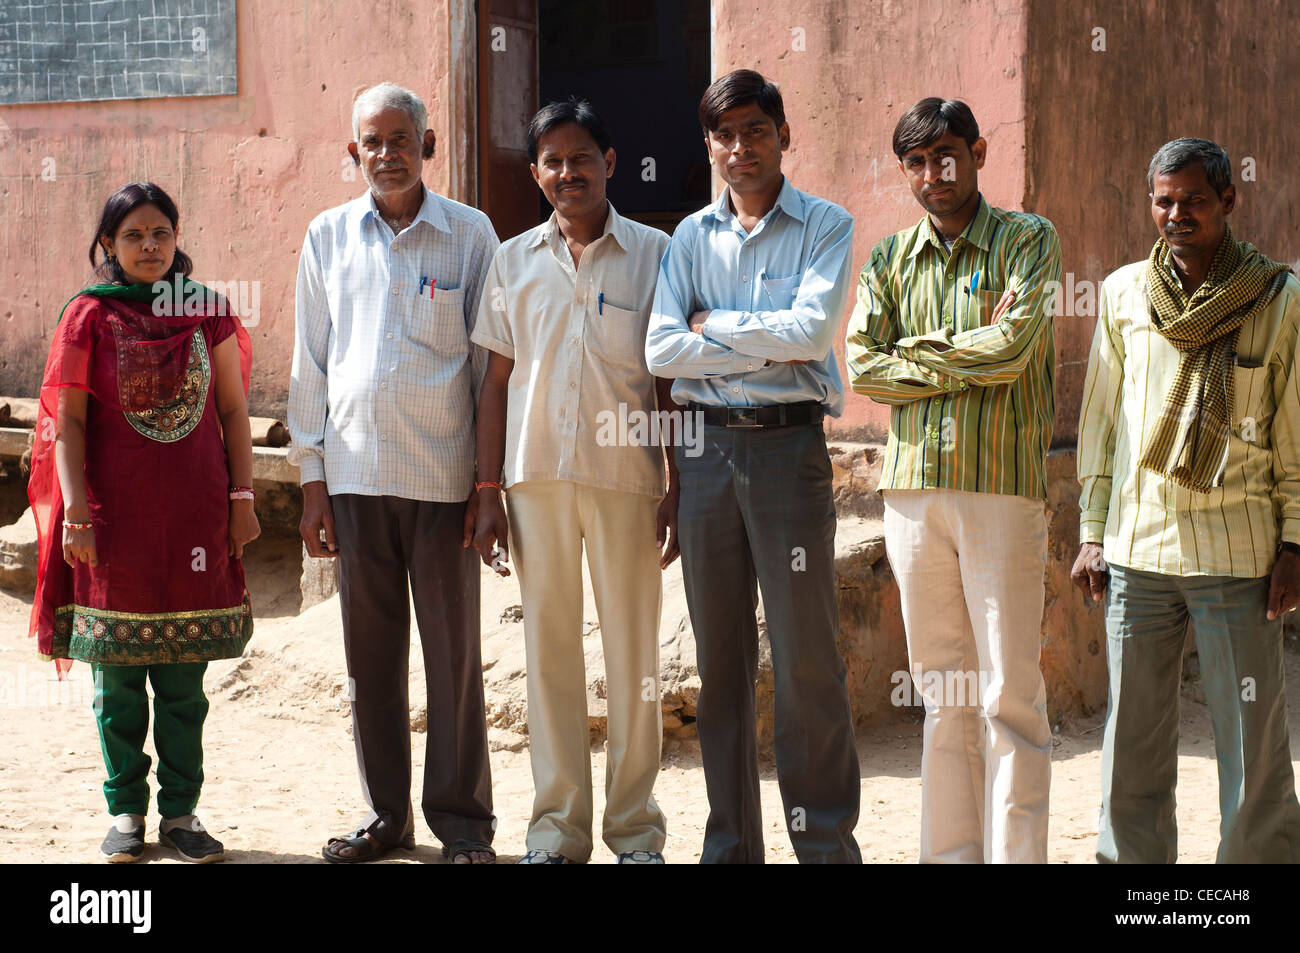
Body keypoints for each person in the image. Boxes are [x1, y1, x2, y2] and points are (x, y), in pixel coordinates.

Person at [646, 69, 862, 864]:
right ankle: (731, 846)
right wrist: (749, 334)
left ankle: (827, 843)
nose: (742, 149)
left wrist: (718, 326)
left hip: (786, 447)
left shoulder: (825, 226)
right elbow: (661, 348)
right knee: (721, 662)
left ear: (784, 135)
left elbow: (811, 333)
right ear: (709, 147)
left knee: (808, 658)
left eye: (756, 132)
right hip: (704, 454)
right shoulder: (687, 239)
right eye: (725, 136)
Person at [845, 97, 1061, 863]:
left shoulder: (1027, 239)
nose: (933, 174)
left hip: (998, 484)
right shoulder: (888, 257)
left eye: (947, 156)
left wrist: (917, 351)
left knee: (1008, 692)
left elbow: (1012, 350)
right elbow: (862, 365)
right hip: (911, 492)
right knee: (945, 694)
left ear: (977, 152)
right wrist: (964, 346)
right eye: (916, 162)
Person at [1073, 137, 1300, 863]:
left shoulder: (1278, 298)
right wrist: (1090, 530)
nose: (1177, 214)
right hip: (1138, 550)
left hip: (1238, 552)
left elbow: (1296, 435)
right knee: (1129, 741)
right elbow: (1103, 424)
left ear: (1229, 201)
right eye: (1163, 200)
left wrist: (1294, 543)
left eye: (1194, 200)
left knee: (1252, 743)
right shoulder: (1121, 293)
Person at [288, 82, 499, 864]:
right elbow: (310, 364)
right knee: (369, 661)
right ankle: (386, 815)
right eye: (371, 142)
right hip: (354, 477)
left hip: (444, 481)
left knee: (453, 663)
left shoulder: (472, 235)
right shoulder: (327, 237)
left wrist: (488, 486)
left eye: (400, 139)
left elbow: (487, 371)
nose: (387, 154)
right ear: (354, 153)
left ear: (428, 144)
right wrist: (311, 480)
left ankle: (463, 823)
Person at [28, 181, 258, 863]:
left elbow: (234, 413)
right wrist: (75, 513)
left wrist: (242, 498)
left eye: (161, 232)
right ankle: (126, 812)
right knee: (118, 678)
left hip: (194, 518)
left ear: (177, 236)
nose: (150, 246)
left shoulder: (205, 311)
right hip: (112, 522)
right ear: (109, 245)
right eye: (133, 235)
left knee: (185, 677)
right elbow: (66, 420)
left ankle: (182, 814)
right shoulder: (88, 317)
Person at [472, 99, 676, 865]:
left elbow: (669, 383)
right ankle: (556, 832)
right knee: (548, 652)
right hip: (534, 481)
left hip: (627, 479)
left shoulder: (656, 252)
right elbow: (495, 381)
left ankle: (635, 831)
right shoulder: (512, 258)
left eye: (581, 156)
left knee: (634, 658)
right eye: (552, 161)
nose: (568, 172)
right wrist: (487, 491)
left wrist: (677, 486)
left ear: (610, 162)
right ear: (534, 174)